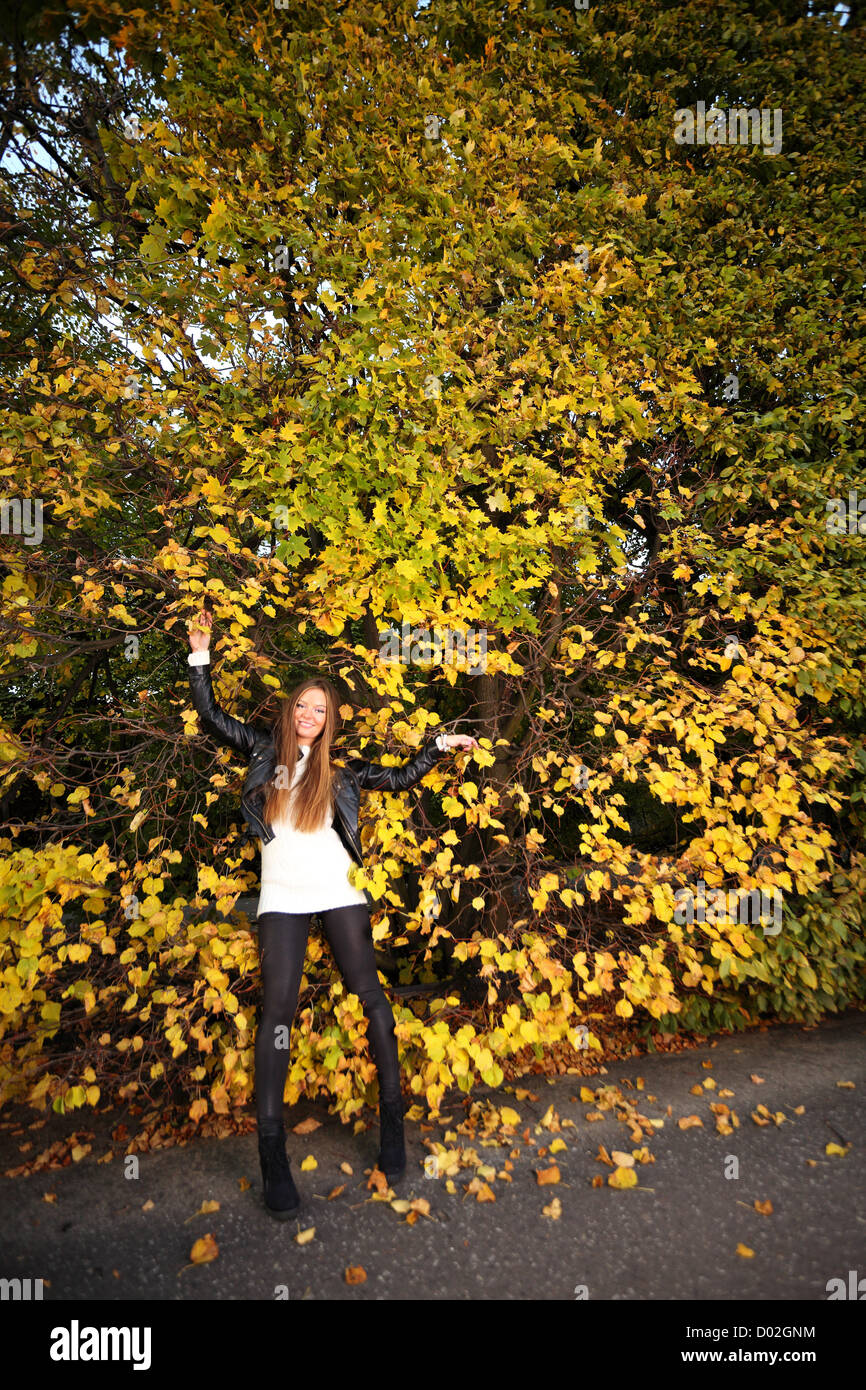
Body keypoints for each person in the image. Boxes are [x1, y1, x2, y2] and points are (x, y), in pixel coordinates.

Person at [185, 608, 479, 1220]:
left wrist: (439, 748)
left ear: (330, 719)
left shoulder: (340, 772)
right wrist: (200, 655)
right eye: (302, 707)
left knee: (371, 996)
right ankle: (273, 1156)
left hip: (339, 892)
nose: (309, 717)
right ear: (291, 712)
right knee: (279, 1013)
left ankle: (392, 1120)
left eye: (320, 710)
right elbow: (212, 719)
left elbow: (399, 779)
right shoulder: (264, 752)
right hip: (283, 900)